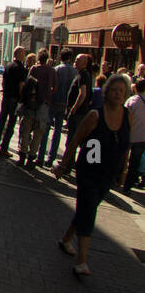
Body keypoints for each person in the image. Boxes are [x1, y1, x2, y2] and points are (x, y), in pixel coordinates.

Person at [54, 74, 133, 275]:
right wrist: (64, 165)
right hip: (89, 168)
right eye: (114, 90)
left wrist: (123, 170)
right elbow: (75, 141)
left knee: (87, 208)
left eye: (121, 91)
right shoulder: (95, 116)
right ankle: (82, 261)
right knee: (89, 211)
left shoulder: (127, 115)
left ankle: (65, 239)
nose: (117, 94)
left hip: (108, 172)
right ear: (107, 92)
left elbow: (126, 147)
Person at [18, 51, 57, 169]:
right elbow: (55, 88)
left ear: (38, 58)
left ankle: (22, 156)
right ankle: (31, 159)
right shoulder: (52, 71)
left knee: (25, 131)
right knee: (38, 134)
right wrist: (48, 97)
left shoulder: (34, 69)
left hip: (31, 104)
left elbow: (27, 84)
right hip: (44, 106)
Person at [43, 50, 76, 167]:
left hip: (53, 102)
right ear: (70, 58)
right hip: (64, 105)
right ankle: (51, 158)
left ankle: (41, 156)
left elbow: (51, 86)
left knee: (46, 129)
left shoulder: (56, 69)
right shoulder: (74, 72)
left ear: (60, 57)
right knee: (57, 132)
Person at [0, 47, 27, 157]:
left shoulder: (8, 66)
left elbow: (3, 82)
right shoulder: (21, 68)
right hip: (14, 99)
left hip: (6, 97)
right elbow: (21, 85)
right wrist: (22, 98)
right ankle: (4, 148)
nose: (24, 55)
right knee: (11, 124)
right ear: (19, 55)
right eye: (23, 53)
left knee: (1, 122)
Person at [121, 79, 145, 192]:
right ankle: (127, 186)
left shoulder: (132, 100)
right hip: (142, 137)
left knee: (121, 157)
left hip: (128, 135)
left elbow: (123, 116)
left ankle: (117, 179)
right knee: (134, 163)